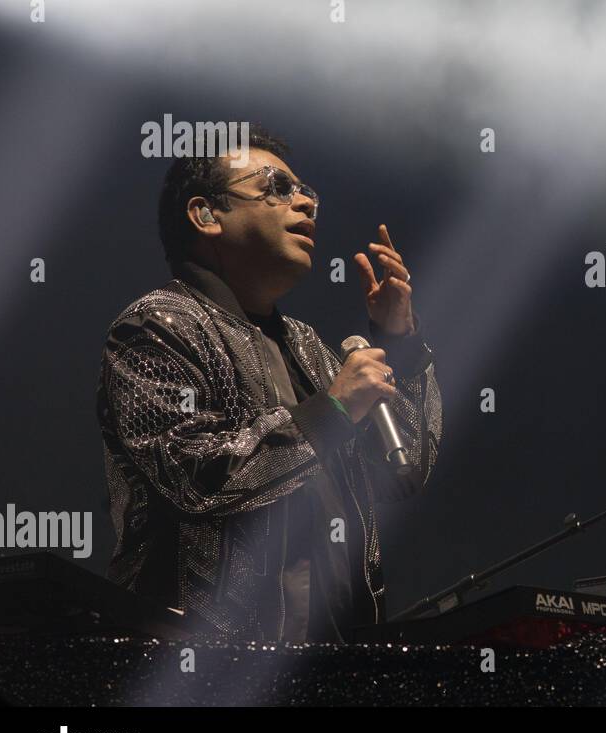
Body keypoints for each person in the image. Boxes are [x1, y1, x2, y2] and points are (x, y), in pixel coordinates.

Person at [96, 128, 442, 643]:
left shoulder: (307, 348)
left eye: (306, 192)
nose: (304, 201)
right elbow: (196, 477)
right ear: (206, 215)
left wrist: (401, 344)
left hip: (334, 668)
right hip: (193, 669)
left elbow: (403, 471)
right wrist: (332, 411)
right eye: (276, 186)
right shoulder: (156, 327)